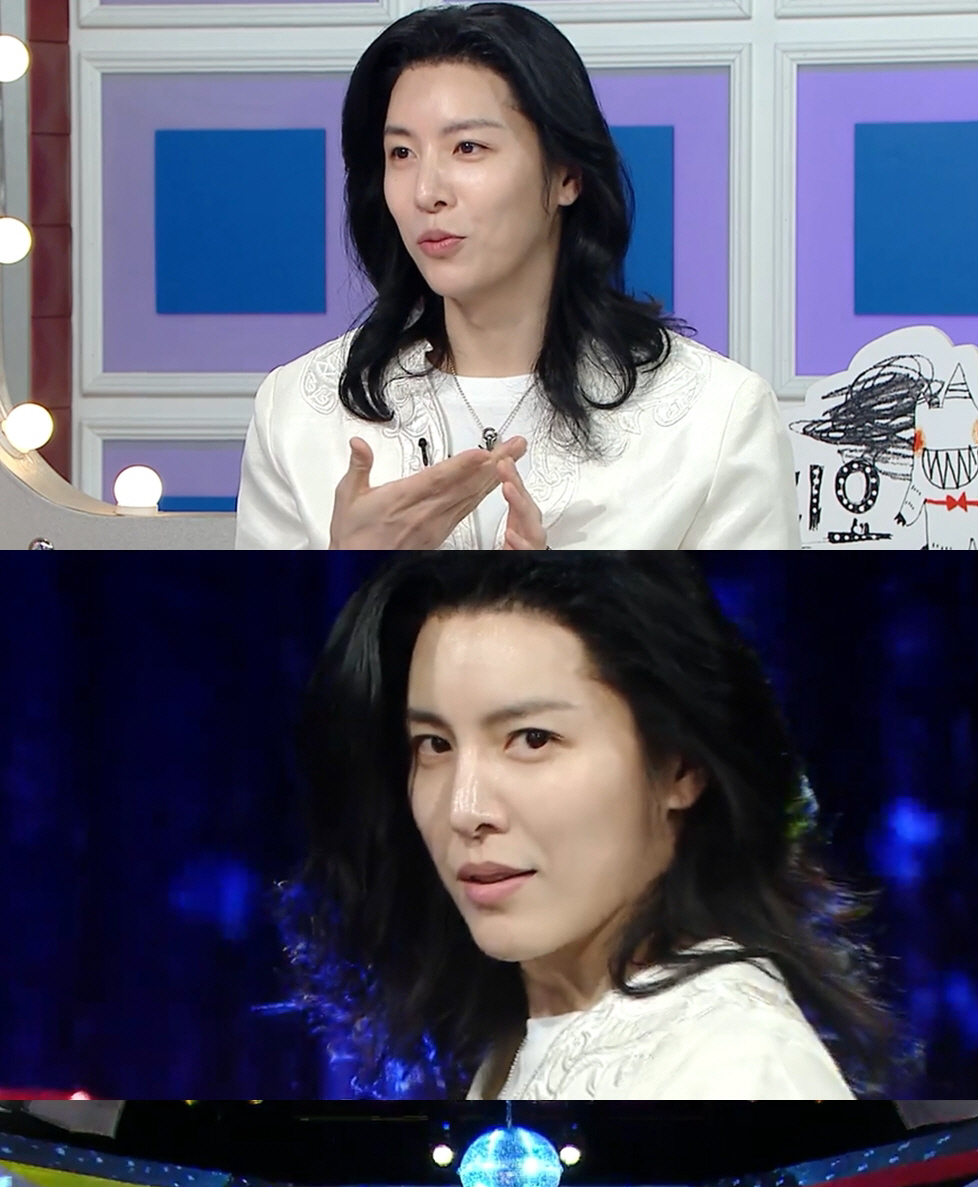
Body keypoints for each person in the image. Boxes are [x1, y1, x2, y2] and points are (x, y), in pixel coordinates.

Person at [284, 554, 897, 1101]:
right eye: (435, 744)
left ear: (681, 765)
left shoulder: (739, 1064)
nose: (464, 810)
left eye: (532, 739)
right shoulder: (512, 1040)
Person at [235, 4, 799, 552]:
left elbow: (746, 622)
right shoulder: (298, 414)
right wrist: (348, 572)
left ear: (566, 175)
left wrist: (554, 598)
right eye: (401, 153)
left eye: (467, 147)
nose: (426, 192)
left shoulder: (716, 420)